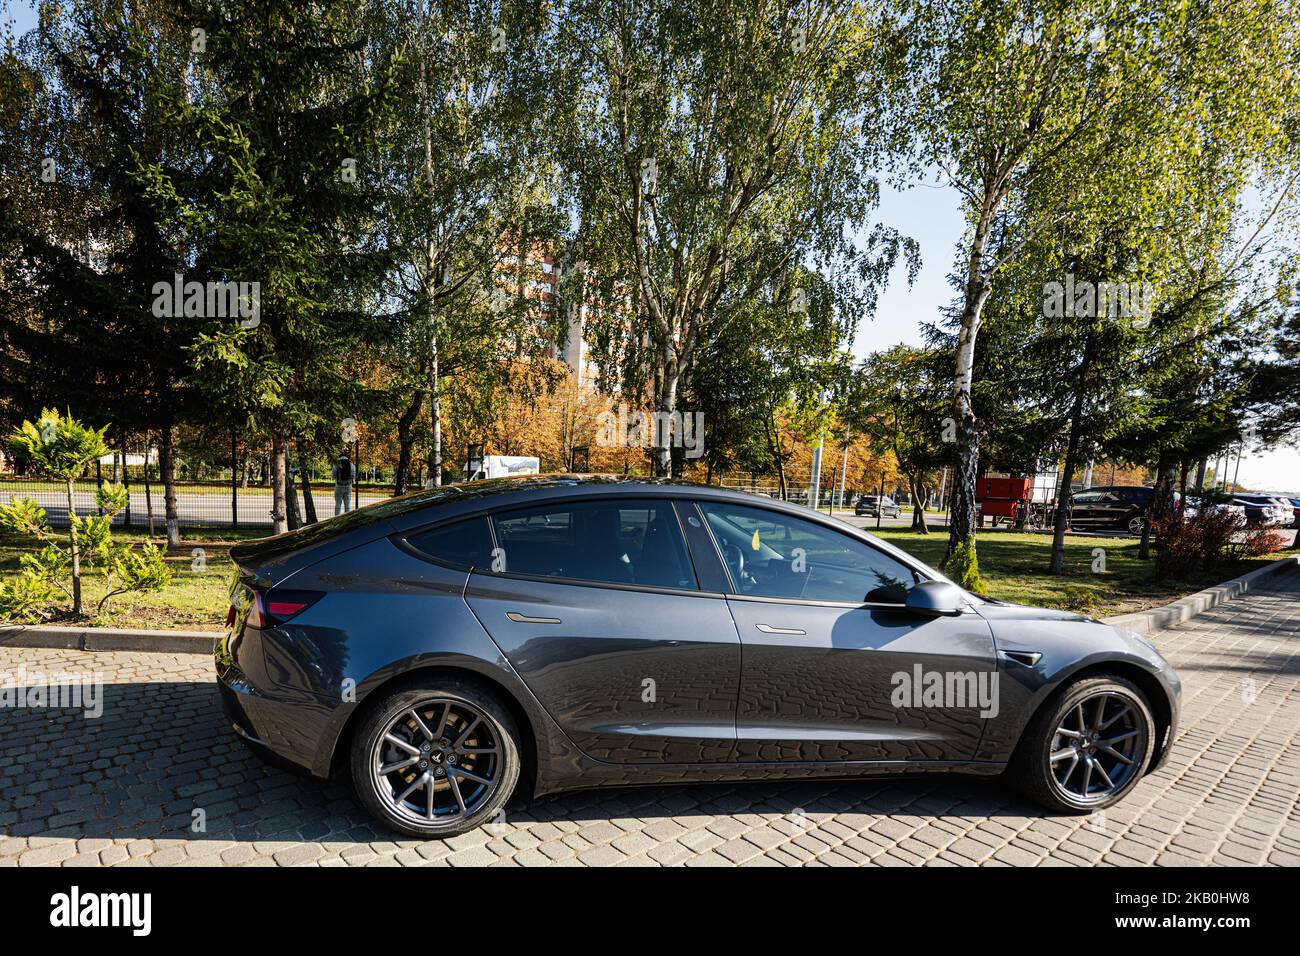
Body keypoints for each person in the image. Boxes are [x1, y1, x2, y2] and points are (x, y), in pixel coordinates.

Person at [332, 450, 354, 516]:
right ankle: (347, 518)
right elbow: (353, 474)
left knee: (338, 503)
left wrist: (336, 478)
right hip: (348, 485)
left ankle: (336, 518)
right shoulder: (351, 464)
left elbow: (334, 473)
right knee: (347, 504)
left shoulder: (337, 464)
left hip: (339, 485)